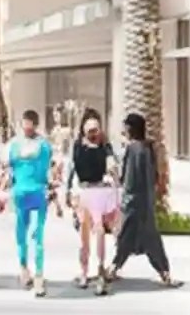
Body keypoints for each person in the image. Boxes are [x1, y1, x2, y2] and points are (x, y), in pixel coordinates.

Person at [108, 112, 181, 288]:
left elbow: (129, 179)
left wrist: (116, 178)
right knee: (150, 240)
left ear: (131, 129)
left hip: (134, 203)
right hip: (146, 202)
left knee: (128, 238)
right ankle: (164, 273)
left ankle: (113, 269)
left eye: (125, 127)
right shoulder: (147, 149)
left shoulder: (134, 149)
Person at [64, 110, 119, 295]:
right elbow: (71, 169)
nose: (93, 133)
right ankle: (84, 271)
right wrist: (67, 191)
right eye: (90, 130)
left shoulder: (105, 146)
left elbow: (112, 164)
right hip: (82, 191)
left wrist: (113, 171)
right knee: (84, 235)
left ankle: (101, 268)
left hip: (99, 191)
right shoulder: (78, 146)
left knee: (100, 231)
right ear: (83, 129)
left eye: (96, 129)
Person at [8, 109, 52, 296]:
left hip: (35, 192)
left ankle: (38, 275)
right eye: (24, 123)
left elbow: (13, 163)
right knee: (22, 233)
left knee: (36, 235)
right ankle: (25, 267)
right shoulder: (41, 145)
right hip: (23, 192)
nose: (26, 127)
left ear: (34, 124)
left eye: (28, 123)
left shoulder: (26, 145)